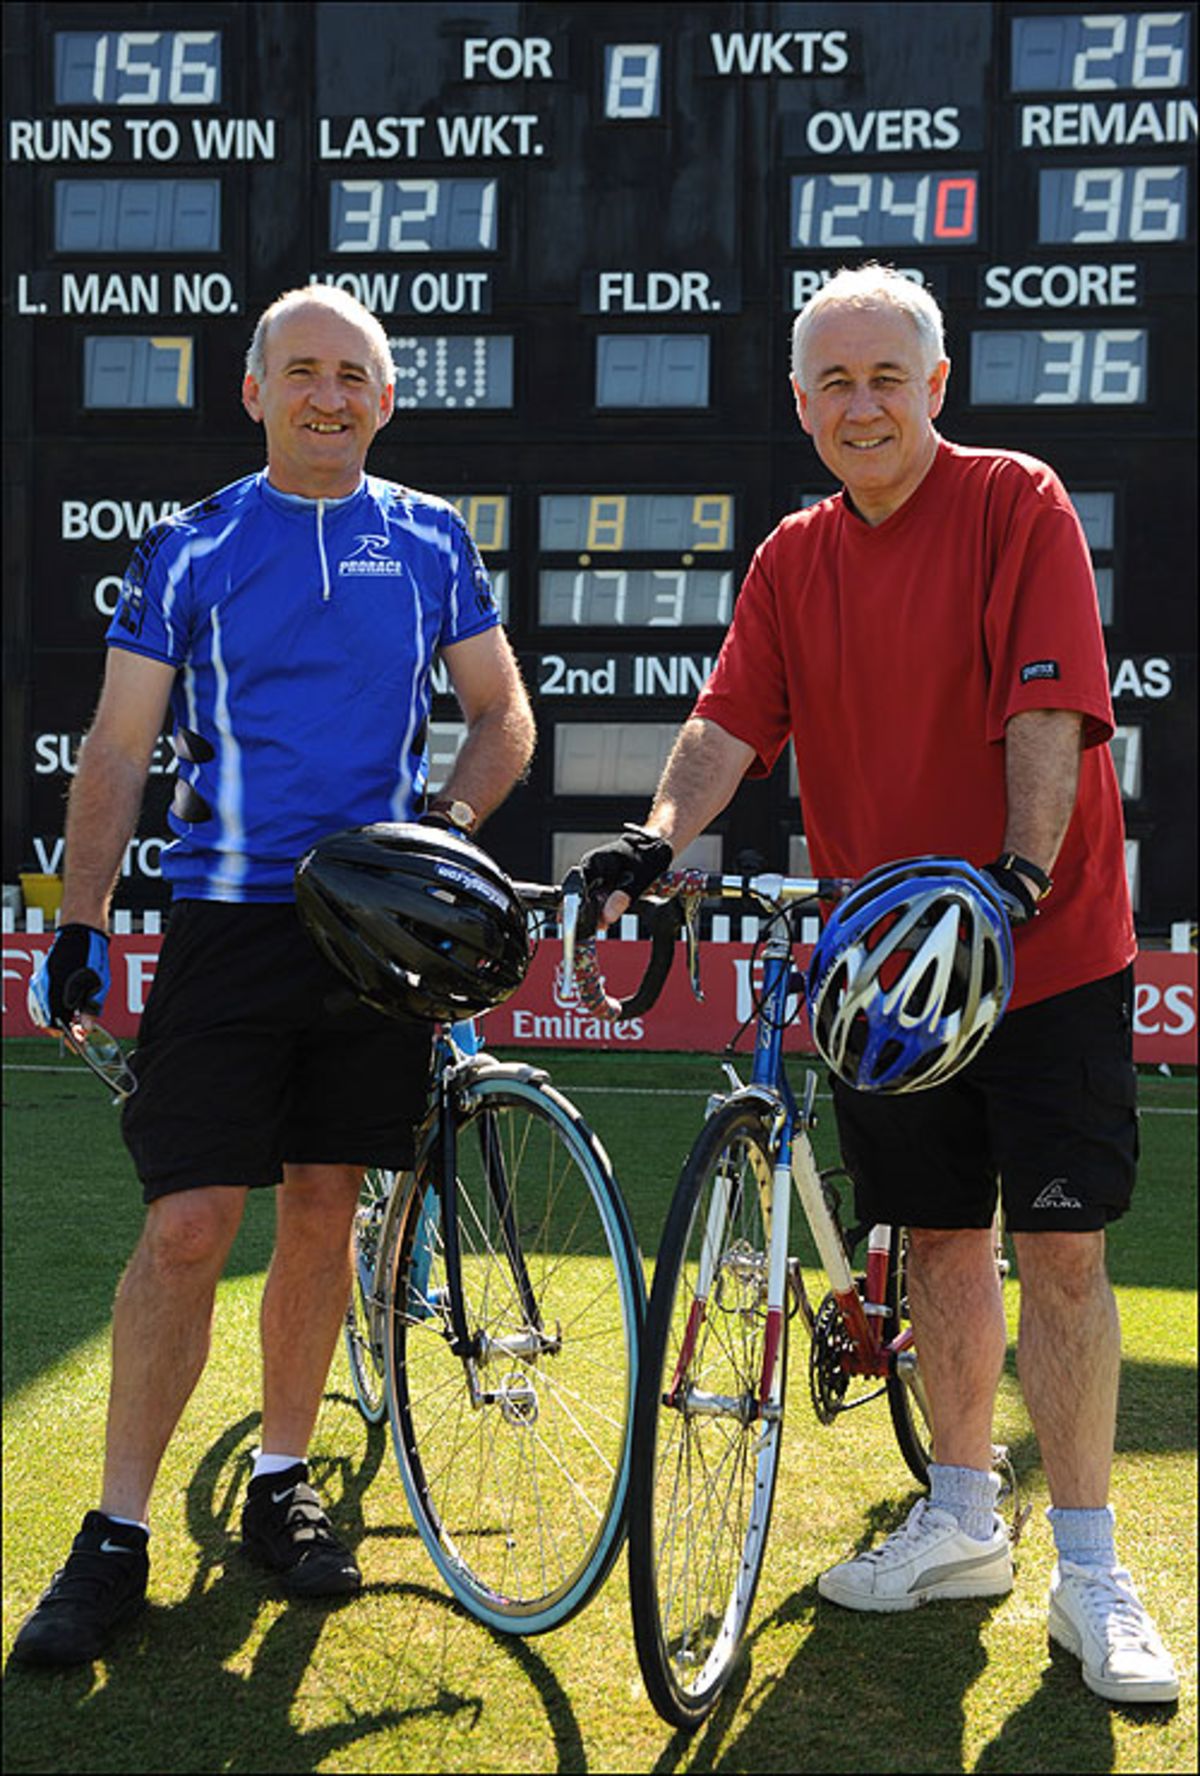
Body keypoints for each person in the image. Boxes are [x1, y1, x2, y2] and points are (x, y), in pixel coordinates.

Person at [577, 263, 1178, 1705]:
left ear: (937, 386)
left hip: (1038, 956)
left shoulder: (1014, 501)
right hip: (888, 979)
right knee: (939, 1244)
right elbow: (729, 720)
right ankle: (963, 1517)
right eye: (834, 383)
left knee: (1066, 1256)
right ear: (800, 404)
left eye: (885, 378)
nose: (862, 405)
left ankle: (1092, 1570)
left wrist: (1020, 879)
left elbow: (1048, 707)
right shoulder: (791, 557)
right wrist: (657, 837)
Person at [13, 285, 535, 1668]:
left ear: (387, 399)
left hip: (374, 942)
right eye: (301, 372)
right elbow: (119, 749)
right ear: (253, 392)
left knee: (321, 1209)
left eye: (353, 376)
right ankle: (117, 1533)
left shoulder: (430, 540)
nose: (328, 396)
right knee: (188, 1225)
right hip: (225, 926)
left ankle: (282, 1483)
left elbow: (502, 717)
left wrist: (443, 840)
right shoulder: (190, 547)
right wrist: (80, 922)